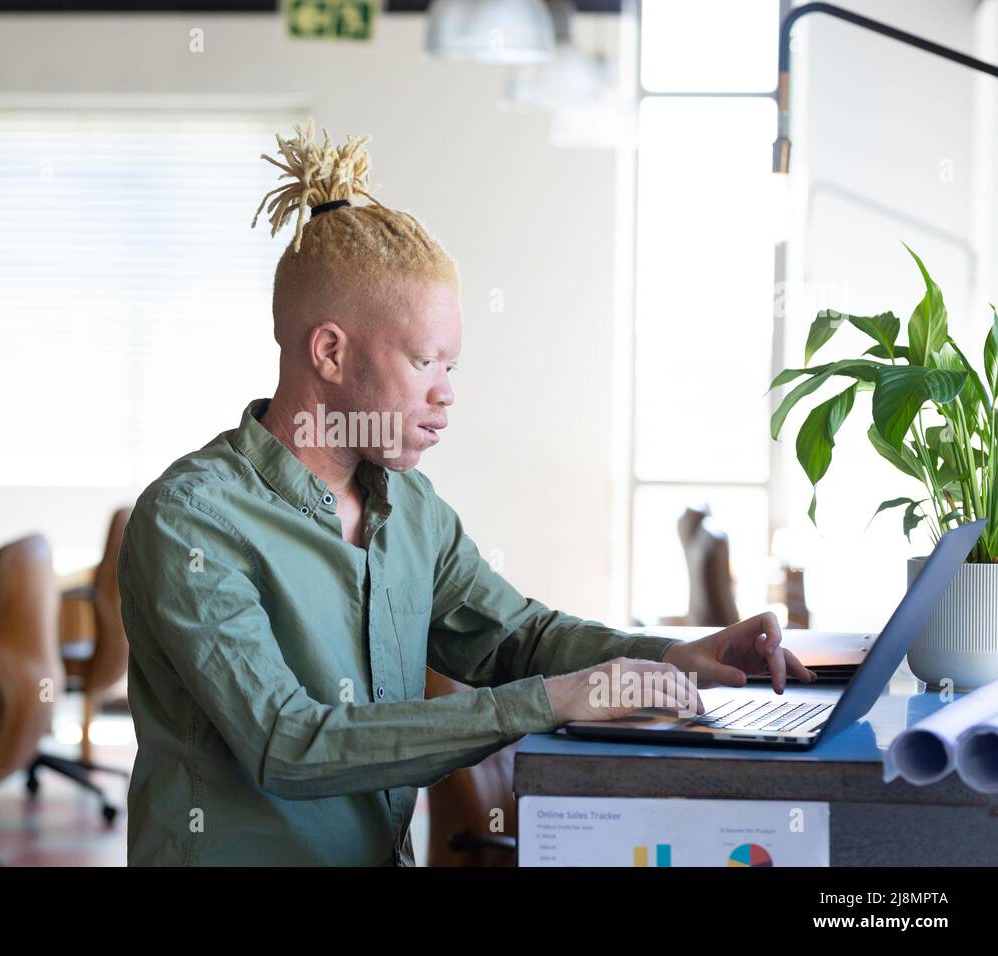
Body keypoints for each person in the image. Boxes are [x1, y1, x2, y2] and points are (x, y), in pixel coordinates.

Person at [118, 119, 815, 867]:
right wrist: (547, 702)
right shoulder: (193, 521)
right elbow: (288, 742)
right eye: (425, 361)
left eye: (452, 367)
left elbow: (520, 640)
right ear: (329, 352)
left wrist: (678, 655)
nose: (446, 395)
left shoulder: (411, 513)